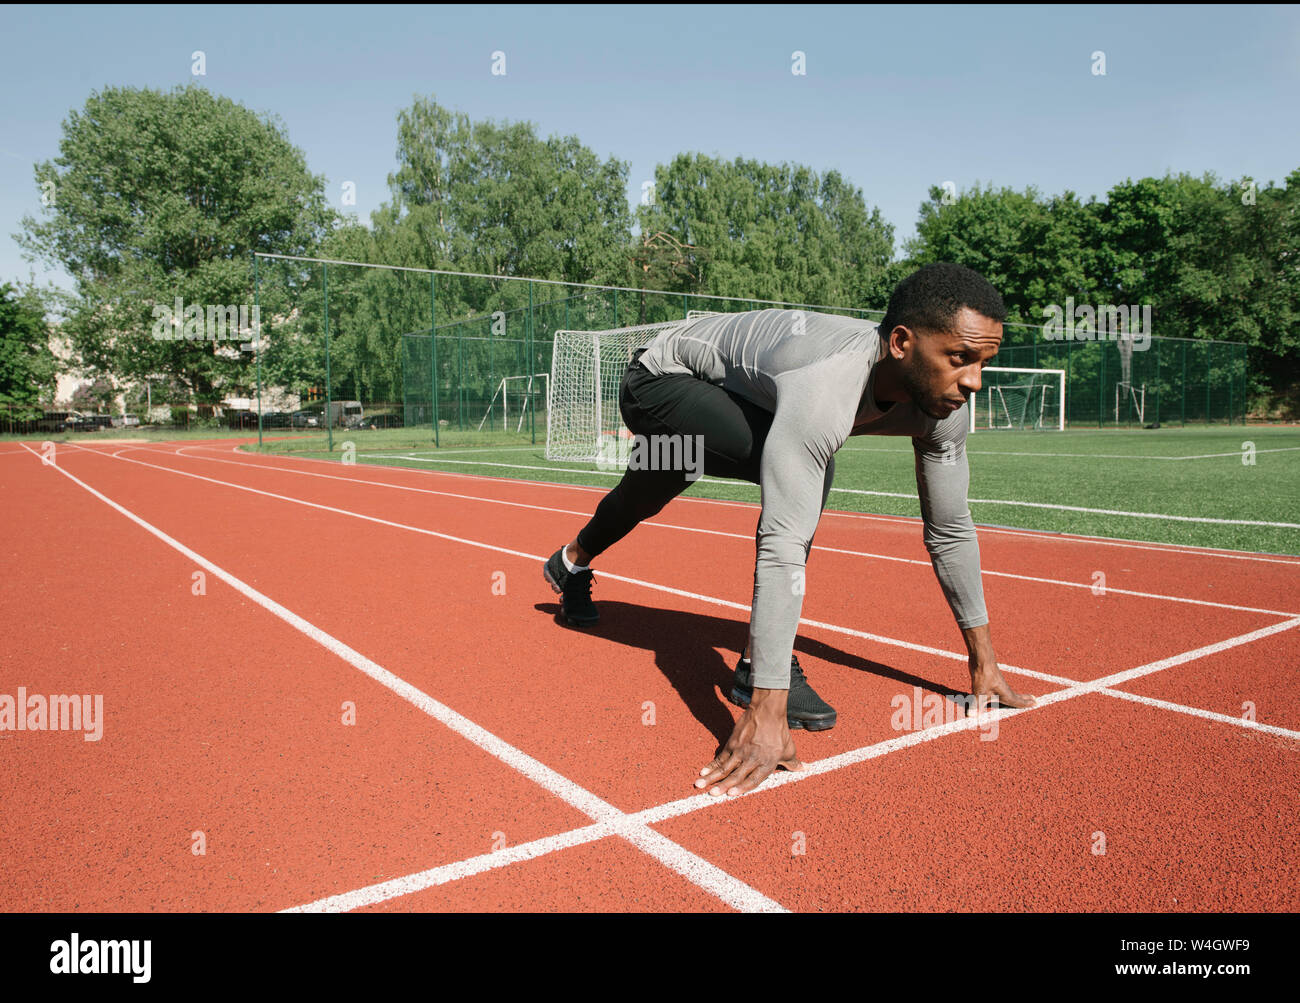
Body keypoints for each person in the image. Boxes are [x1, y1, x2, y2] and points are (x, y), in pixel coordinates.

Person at [543, 262, 1036, 797]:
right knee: (795, 470)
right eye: (958, 358)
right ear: (901, 343)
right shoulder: (827, 384)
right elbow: (783, 544)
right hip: (660, 379)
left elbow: (950, 529)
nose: (974, 381)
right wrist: (766, 711)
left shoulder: (947, 408)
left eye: (985, 361)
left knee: (652, 486)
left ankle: (571, 560)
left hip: (741, 395)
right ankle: (757, 671)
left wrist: (983, 664)